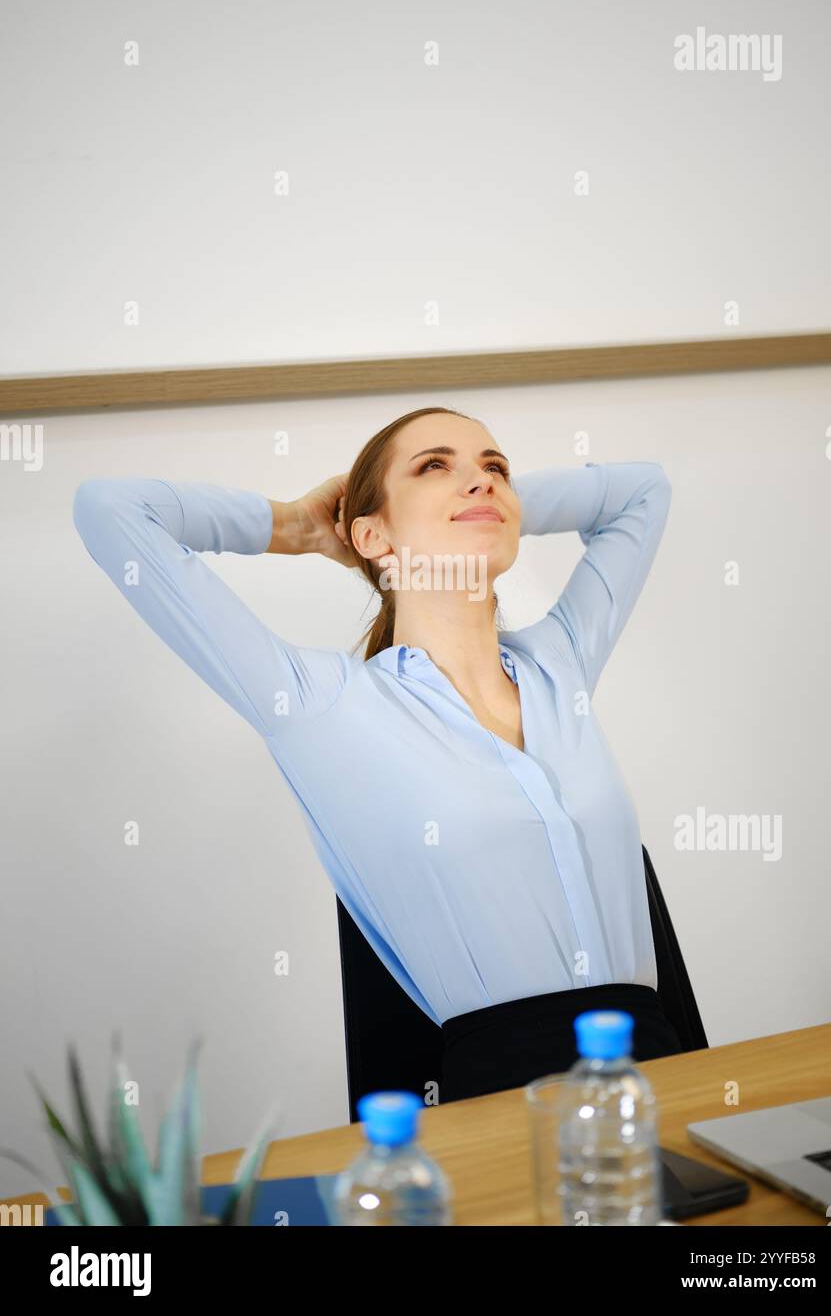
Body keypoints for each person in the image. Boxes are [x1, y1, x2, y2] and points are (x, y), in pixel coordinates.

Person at [72, 405, 683, 1105]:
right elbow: (109, 508)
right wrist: (292, 527)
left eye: (495, 468)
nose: (480, 481)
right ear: (368, 535)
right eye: (435, 466)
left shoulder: (559, 665)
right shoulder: (318, 703)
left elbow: (645, 490)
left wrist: (477, 506)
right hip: (501, 1104)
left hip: (663, 1076)